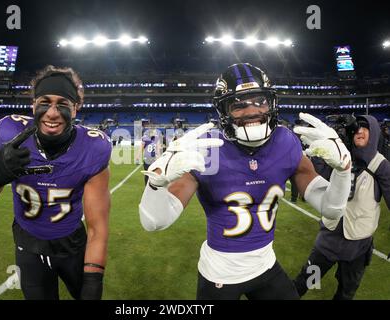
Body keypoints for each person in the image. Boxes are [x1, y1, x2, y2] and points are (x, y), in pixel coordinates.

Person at [138, 63, 352, 300]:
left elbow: (331, 210)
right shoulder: (208, 148)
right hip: (220, 274)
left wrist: (343, 170)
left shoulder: (285, 141)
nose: (251, 111)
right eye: (238, 104)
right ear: (224, 111)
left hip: (266, 266)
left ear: (271, 103)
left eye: (259, 101)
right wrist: (156, 184)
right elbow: (155, 222)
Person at [0, 65, 112, 300]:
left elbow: (97, 229)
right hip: (27, 245)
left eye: (62, 104)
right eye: (45, 102)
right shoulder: (9, 134)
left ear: (76, 108)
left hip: (72, 245)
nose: (52, 113)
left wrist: (93, 283)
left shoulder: (93, 148)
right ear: (33, 104)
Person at [293, 115, 390, 300]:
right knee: (306, 279)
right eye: (357, 128)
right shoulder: (339, 153)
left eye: (365, 127)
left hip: (358, 246)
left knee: (346, 292)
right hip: (328, 241)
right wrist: (321, 155)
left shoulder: (381, 165)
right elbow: (321, 178)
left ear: (375, 132)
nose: (360, 131)